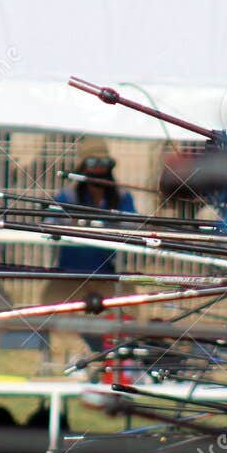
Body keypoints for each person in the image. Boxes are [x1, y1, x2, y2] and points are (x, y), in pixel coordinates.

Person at [44, 138, 136, 355]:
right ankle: (74, 359)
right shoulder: (67, 196)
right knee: (50, 307)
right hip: (68, 276)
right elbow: (49, 226)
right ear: (83, 167)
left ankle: (116, 360)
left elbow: (134, 228)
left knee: (134, 307)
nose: (99, 168)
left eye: (104, 162)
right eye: (93, 162)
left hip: (108, 276)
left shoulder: (122, 196)